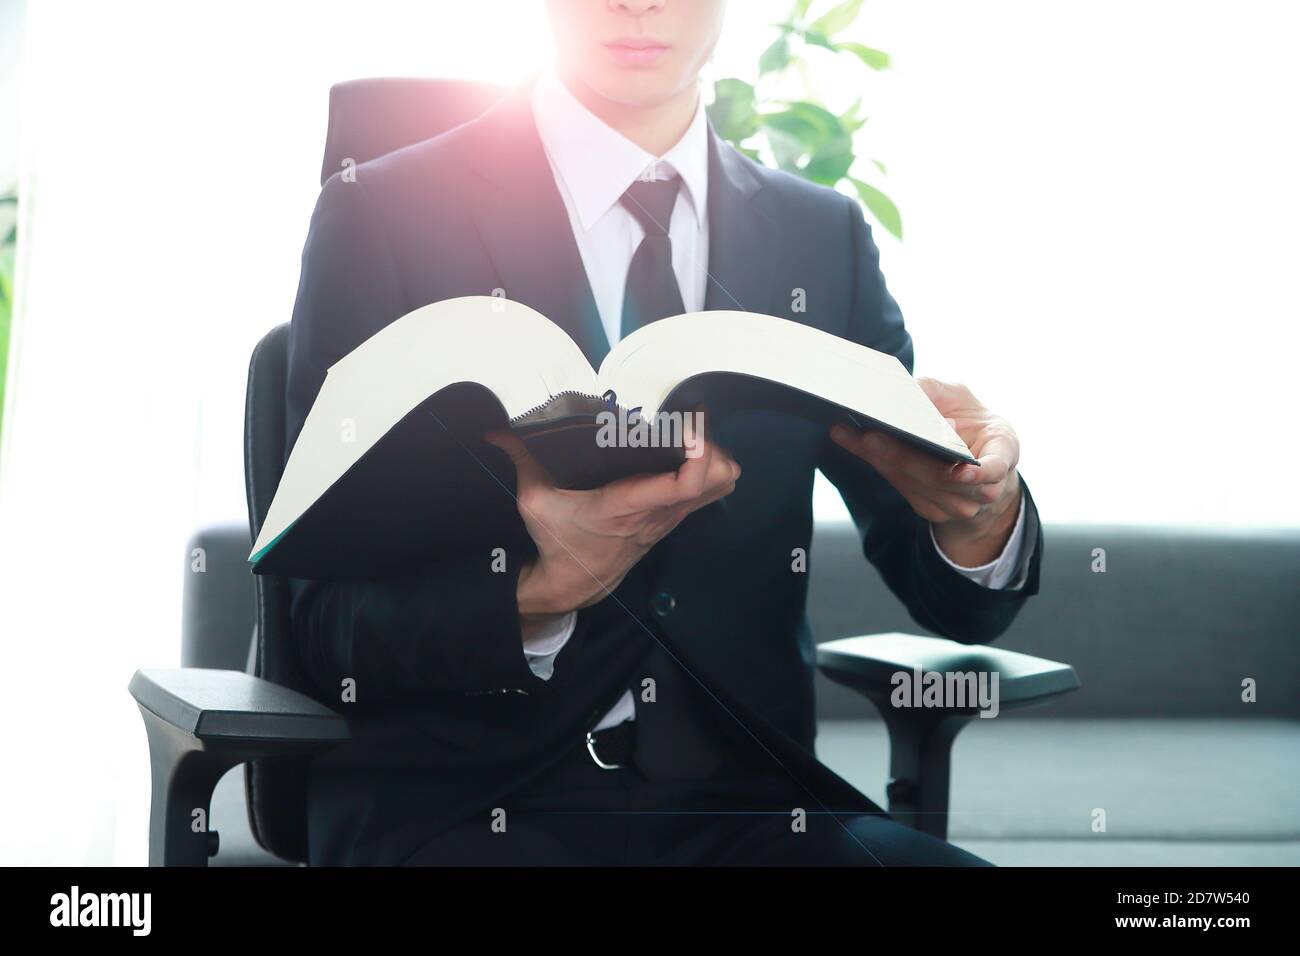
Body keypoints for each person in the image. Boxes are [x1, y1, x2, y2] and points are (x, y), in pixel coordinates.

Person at [284, 0, 1041, 866]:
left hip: (750, 811)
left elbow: (946, 584)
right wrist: (535, 593)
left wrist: (980, 522)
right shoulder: (381, 212)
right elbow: (315, 625)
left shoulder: (818, 238)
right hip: (469, 806)